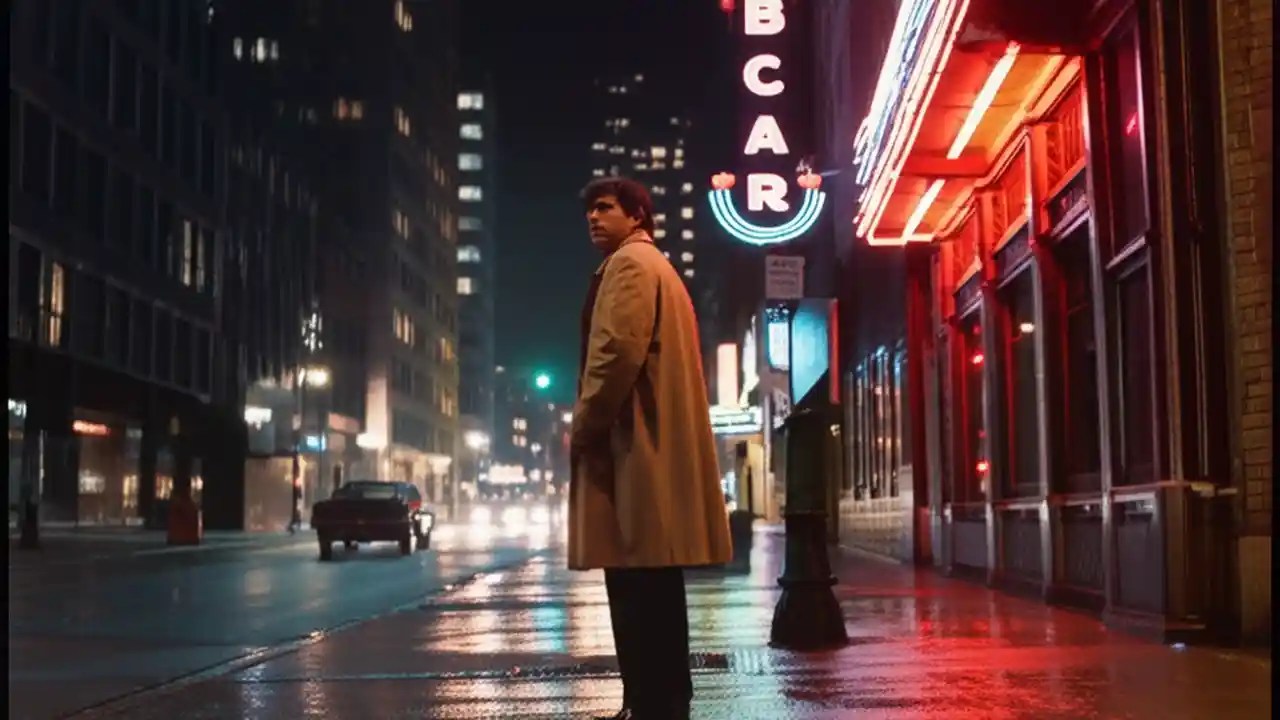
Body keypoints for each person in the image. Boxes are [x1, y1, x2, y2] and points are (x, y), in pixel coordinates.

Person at [568, 176, 733, 720]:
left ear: (637, 215)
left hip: (636, 447)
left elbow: (616, 353)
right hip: (653, 443)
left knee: (635, 584)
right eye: (589, 210)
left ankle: (648, 704)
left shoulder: (630, 266)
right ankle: (661, 701)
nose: (593, 217)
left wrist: (586, 424)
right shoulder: (656, 266)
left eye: (605, 207)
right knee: (656, 586)